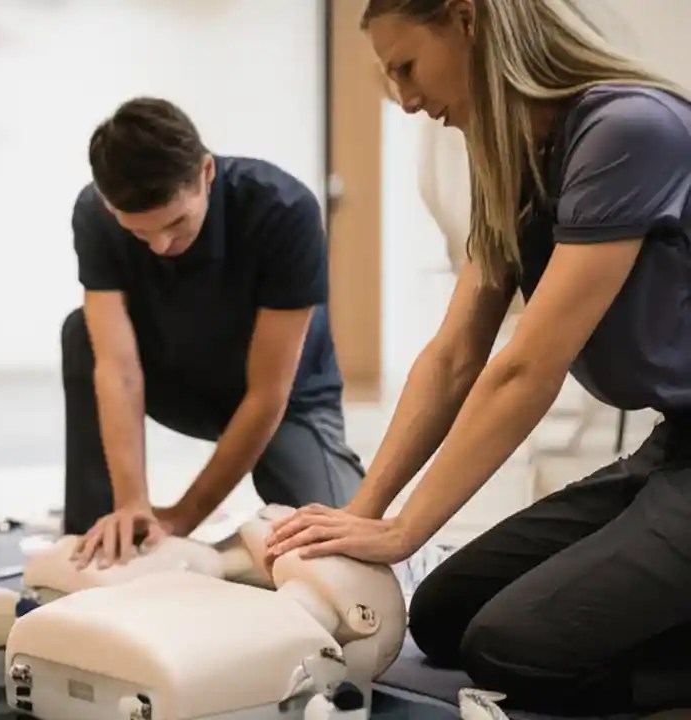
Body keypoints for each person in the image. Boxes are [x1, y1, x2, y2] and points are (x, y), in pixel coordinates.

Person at [266, 0, 691, 715]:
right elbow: (456, 355)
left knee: (513, 646)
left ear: (467, 22)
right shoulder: (520, 160)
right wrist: (365, 518)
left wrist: (407, 529)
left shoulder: (629, 131)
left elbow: (526, 369)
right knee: (443, 612)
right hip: (675, 441)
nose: (403, 100)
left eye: (407, 67)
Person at [65, 96, 364, 568]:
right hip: (176, 379)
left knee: (335, 552)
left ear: (206, 173)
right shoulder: (94, 215)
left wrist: (184, 517)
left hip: (286, 402)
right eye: (140, 234)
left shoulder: (285, 211)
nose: (161, 246)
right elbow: (118, 371)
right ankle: (97, 532)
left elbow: (268, 395)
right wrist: (132, 503)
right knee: (81, 333)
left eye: (175, 224)